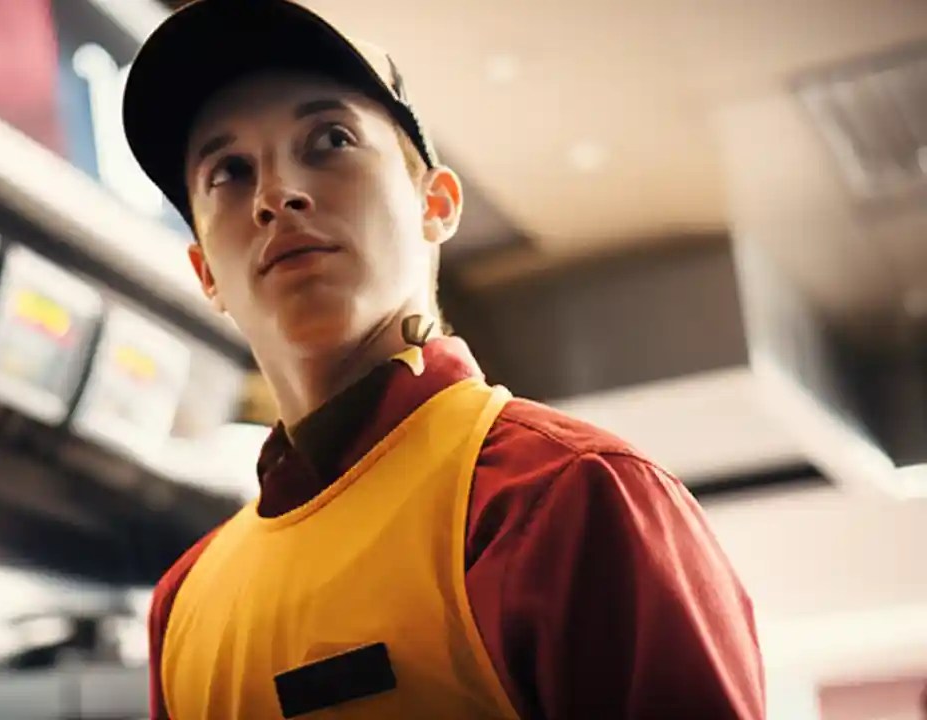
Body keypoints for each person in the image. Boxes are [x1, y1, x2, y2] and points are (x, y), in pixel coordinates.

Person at [122, 1, 765, 718]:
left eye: (329, 139)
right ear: (204, 270)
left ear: (437, 204)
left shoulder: (561, 497)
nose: (276, 195)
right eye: (228, 173)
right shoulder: (184, 604)